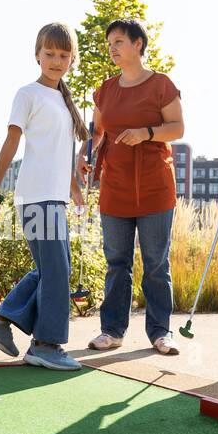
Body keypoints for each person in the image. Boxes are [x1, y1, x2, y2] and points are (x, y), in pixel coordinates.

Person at [0, 22, 88, 371]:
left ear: (72, 59)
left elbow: (59, 155)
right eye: (49, 53)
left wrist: (76, 193)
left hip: (56, 198)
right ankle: (45, 344)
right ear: (37, 55)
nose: (56, 60)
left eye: (63, 55)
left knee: (51, 270)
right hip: (36, 197)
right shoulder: (28, 94)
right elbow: (11, 143)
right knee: (56, 272)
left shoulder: (65, 100)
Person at [80, 18, 185, 355]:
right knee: (117, 262)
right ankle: (111, 330)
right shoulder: (105, 90)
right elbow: (96, 132)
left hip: (154, 186)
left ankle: (160, 332)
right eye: (110, 43)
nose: (112, 48)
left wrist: (146, 133)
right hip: (115, 186)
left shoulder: (161, 85)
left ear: (138, 43)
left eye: (119, 41)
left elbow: (177, 127)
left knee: (156, 262)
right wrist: (86, 152)